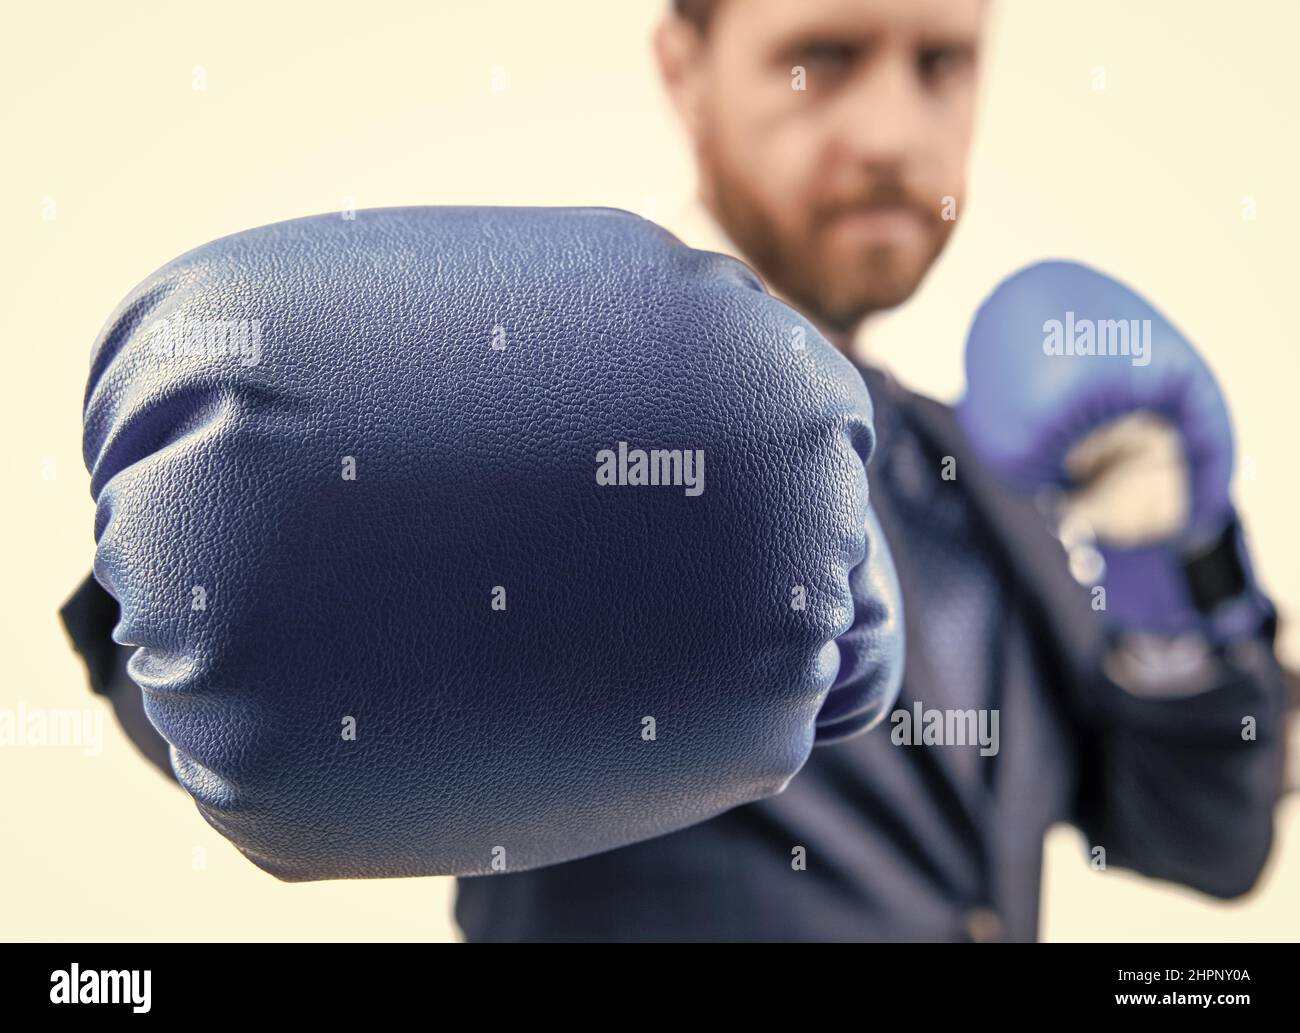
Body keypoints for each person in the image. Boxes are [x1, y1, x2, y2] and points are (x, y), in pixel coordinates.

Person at [61, 0, 1287, 942]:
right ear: (684, 69)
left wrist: (1166, 578)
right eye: (823, 57)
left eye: (941, 64)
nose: (889, 134)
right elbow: (193, 637)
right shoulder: (527, 405)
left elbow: (1202, 844)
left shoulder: (1006, 481)